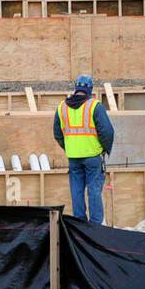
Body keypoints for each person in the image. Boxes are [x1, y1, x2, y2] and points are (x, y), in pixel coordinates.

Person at [53, 74, 115, 224]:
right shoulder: (95, 106)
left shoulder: (61, 108)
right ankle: (95, 226)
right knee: (94, 191)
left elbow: (57, 134)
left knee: (77, 191)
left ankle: (80, 224)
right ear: (90, 89)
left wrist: (69, 147)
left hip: (73, 157)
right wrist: (104, 149)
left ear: (76, 88)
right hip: (93, 156)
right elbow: (107, 132)